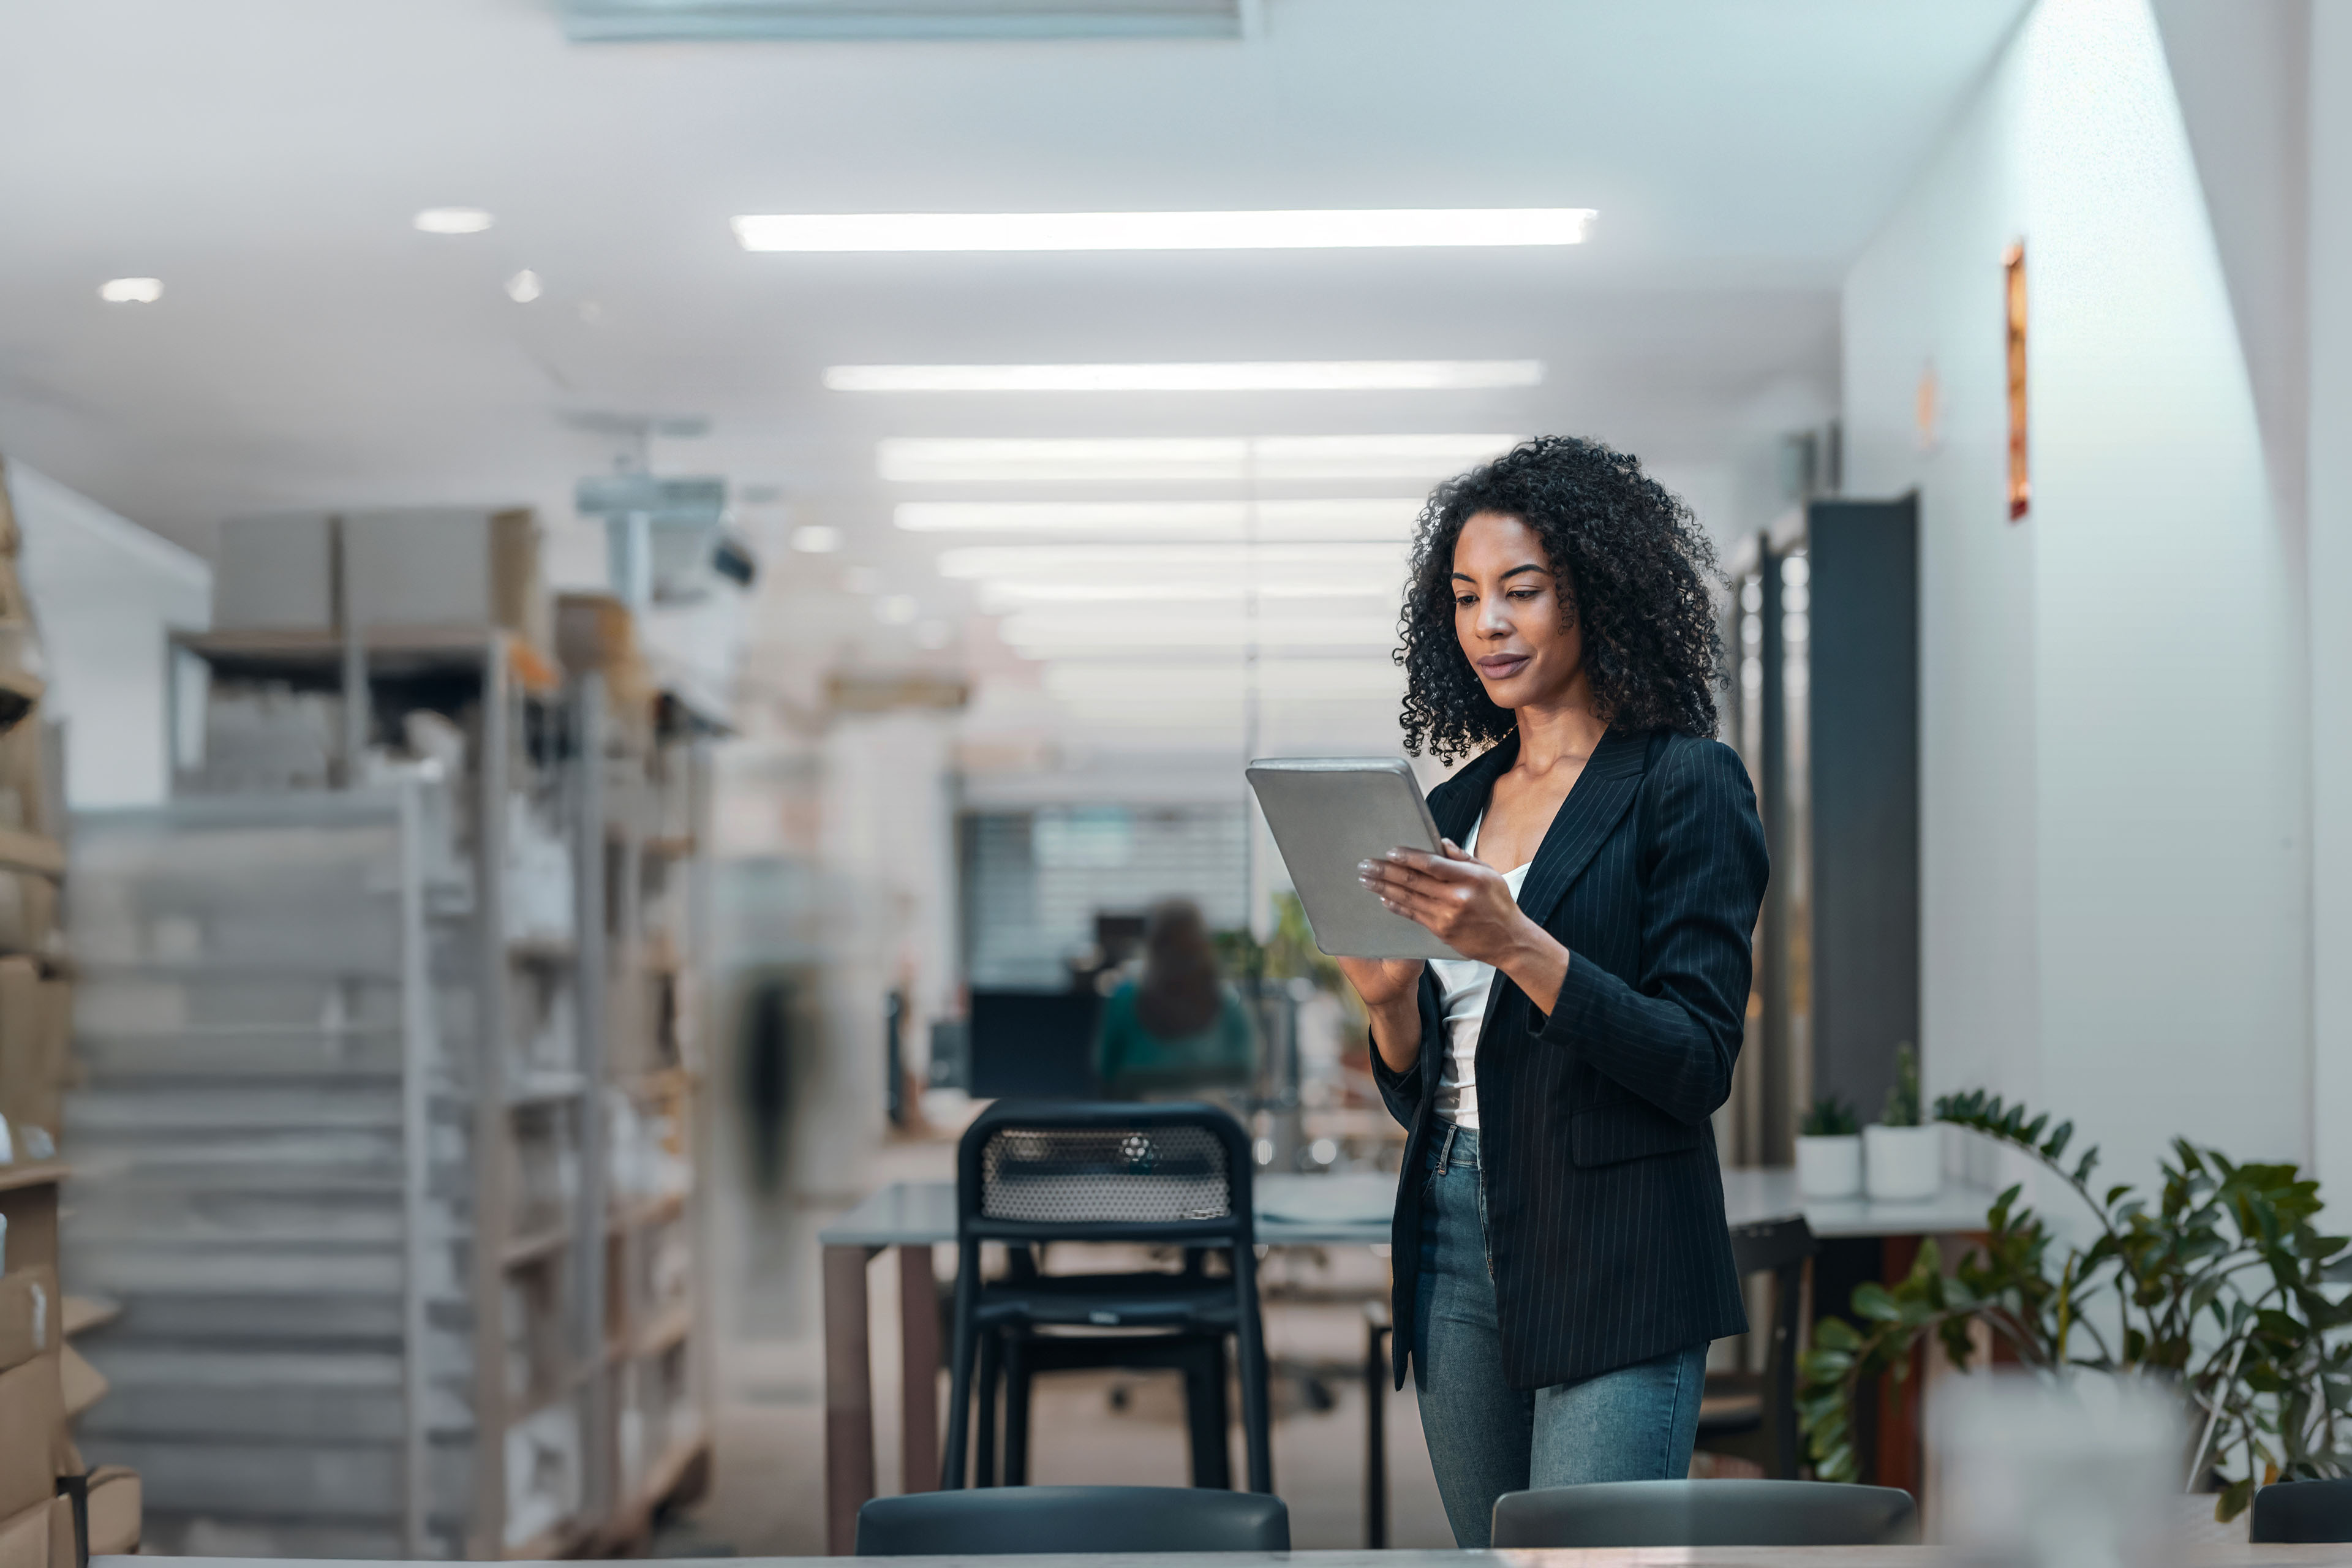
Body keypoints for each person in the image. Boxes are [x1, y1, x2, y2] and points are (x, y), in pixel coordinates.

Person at [1337, 435, 1768, 1546]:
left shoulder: (1685, 782)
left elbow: (1696, 1059)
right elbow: (1432, 1084)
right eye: (1467, 597)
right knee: (1493, 1553)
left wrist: (1519, 943)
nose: (1489, 624)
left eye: (1521, 592)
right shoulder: (1452, 805)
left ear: (1599, 593)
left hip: (1617, 1241)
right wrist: (1390, 1009)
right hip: (1452, 1221)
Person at [1095, 899, 1256, 1096]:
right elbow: (1104, 1076)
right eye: (1170, 946)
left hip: (1210, 1124)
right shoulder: (1124, 1000)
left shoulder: (1230, 1003)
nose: (1179, 960)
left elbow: (1246, 1074)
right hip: (1138, 1124)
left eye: (1187, 949)